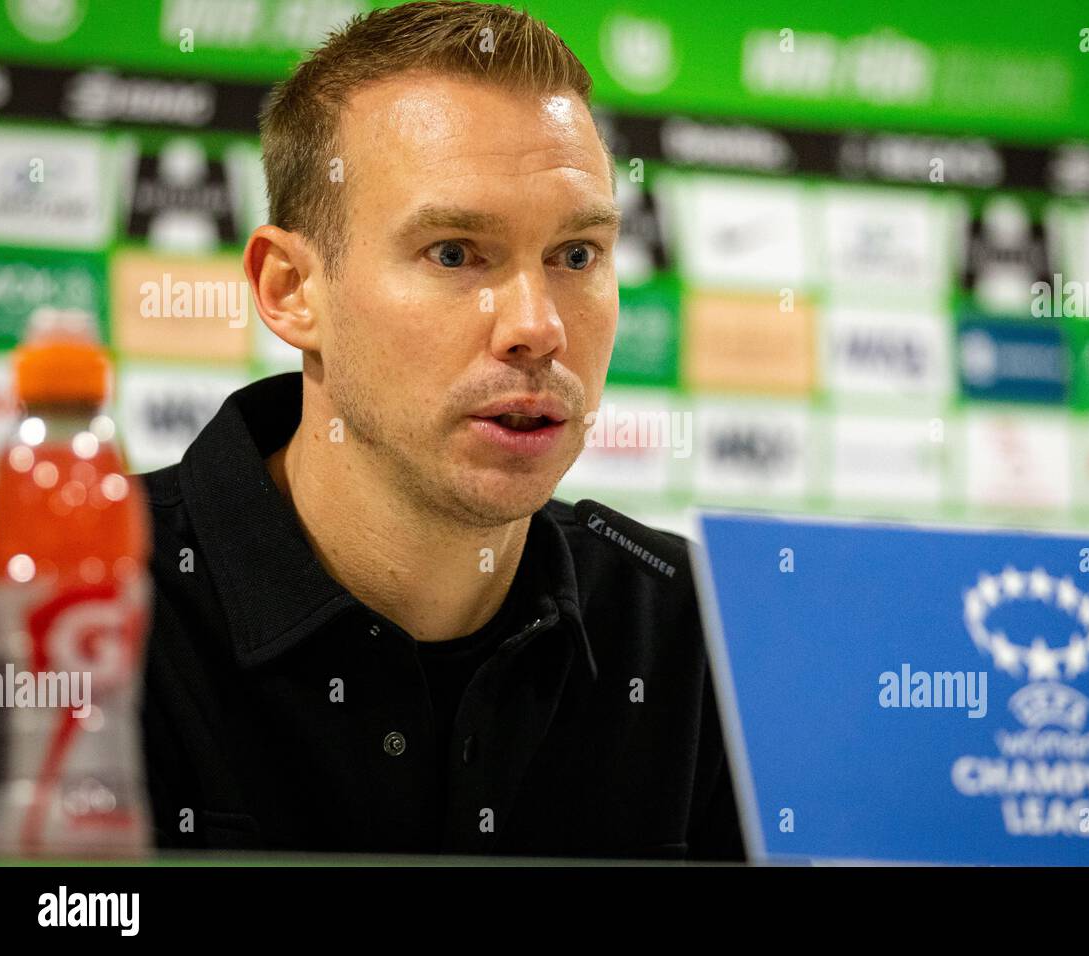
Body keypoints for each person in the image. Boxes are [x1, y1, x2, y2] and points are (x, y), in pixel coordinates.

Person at [136, 0, 745, 861]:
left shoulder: (701, 635)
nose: (537, 327)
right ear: (290, 289)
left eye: (577, 256)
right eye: (456, 253)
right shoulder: (62, 613)